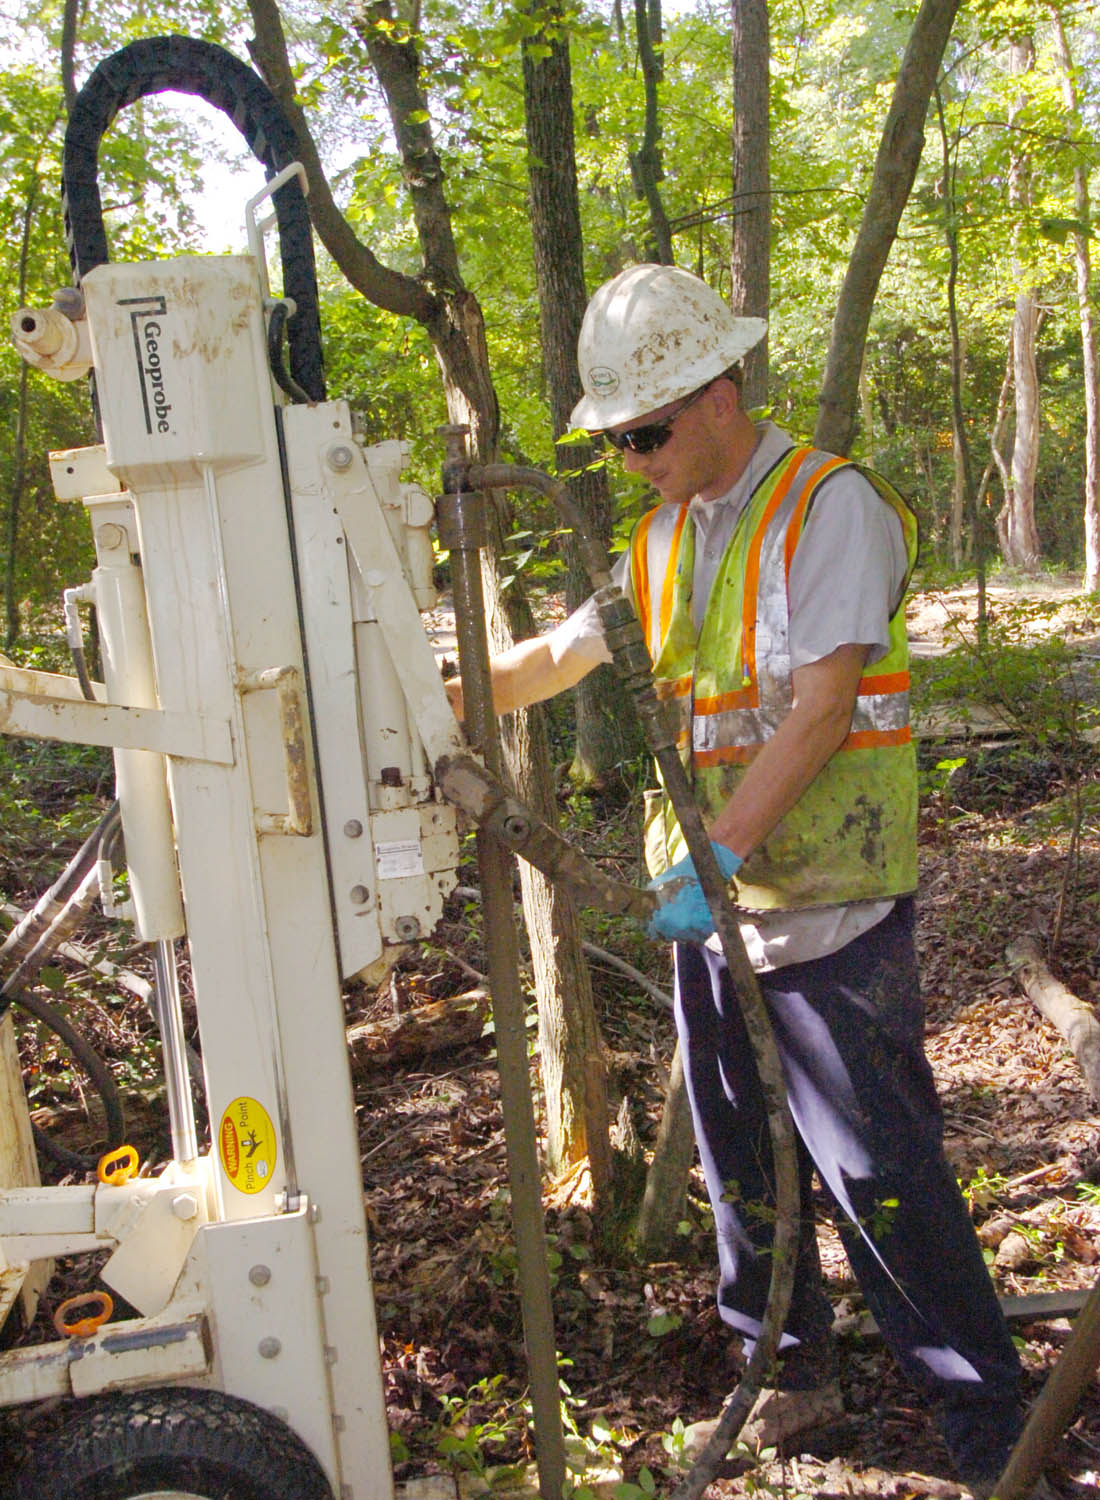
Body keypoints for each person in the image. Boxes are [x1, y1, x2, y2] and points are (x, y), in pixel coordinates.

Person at [447, 264, 1022, 1491]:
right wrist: (420, 699)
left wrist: (714, 862)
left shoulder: (826, 507)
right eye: (618, 440)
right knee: (739, 1165)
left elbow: (817, 713)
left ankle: (991, 1431)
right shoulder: (658, 538)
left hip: (825, 902)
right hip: (711, 913)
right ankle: (785, 1370)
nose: (633, 457)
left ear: (719, 391)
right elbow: (555, 657)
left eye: (646, 431)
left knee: (879, 1173)